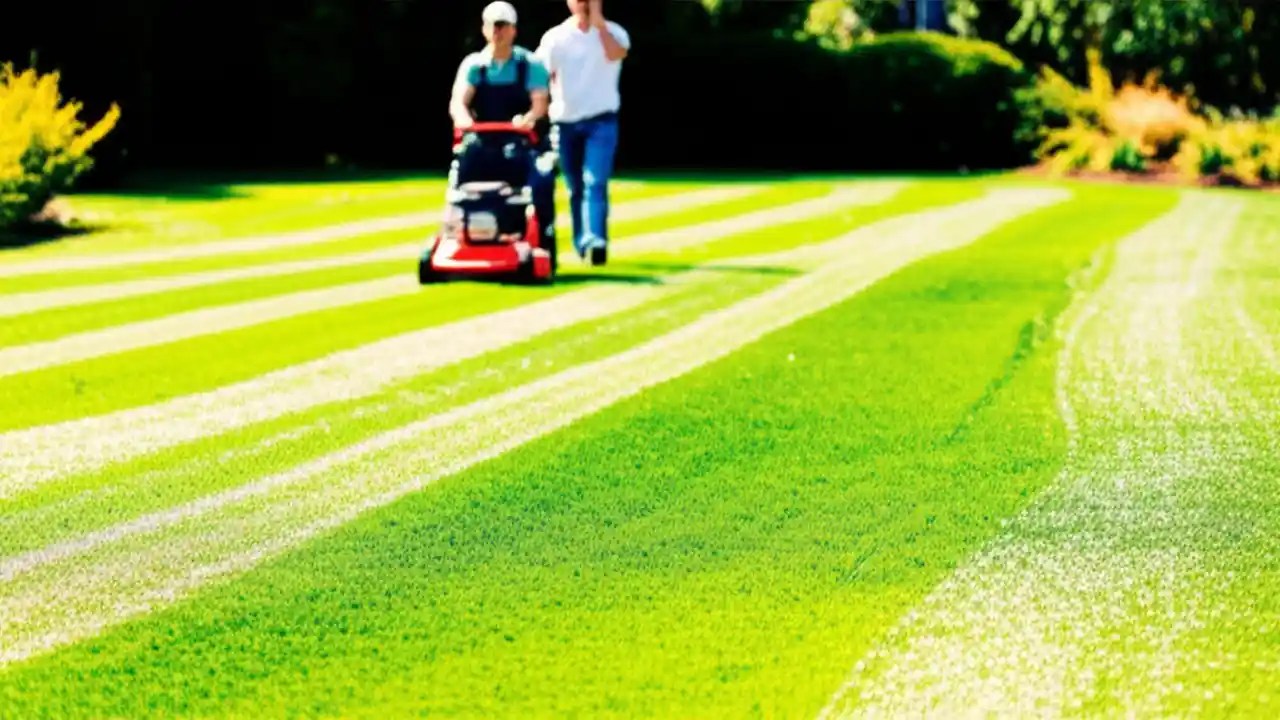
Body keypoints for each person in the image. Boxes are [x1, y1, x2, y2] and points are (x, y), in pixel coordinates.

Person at [449, 1, 557, 255]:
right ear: (485, 30)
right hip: (482, 141)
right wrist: (464, 121)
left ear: (513, 30)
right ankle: (459, 231)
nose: (498, 32)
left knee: (540, 180)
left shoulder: (530, 64)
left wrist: (527, 119)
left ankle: (540, 235)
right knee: (460, 173)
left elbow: (540, 103)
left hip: (521, 142)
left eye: (503, 26)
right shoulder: (475, 65)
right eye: (493, 26)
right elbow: (459, 101)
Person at [536, 0, 630, 266]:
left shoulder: (615, 33)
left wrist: (599, 27)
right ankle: (582, 240)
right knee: (574, 186)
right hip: (565, 123)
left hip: (602, 120)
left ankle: (596, 239)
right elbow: (541, 74)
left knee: (595, 181)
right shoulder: (556, 37)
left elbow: (615, 54)